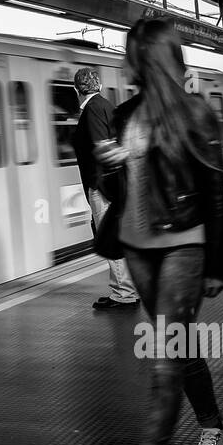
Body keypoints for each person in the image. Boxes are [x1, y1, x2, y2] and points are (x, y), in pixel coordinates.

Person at [96, 19, 223, 445]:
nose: (124, 61)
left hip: (183, 241)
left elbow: (215, 191)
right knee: (177, 340)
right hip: (137, 245)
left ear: (147, 57)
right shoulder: (124, 114)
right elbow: (122, 186)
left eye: (131, 52)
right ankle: (213, 428)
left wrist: (218, 262)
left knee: (166, 345)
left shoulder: (196, 113)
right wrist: (113, 165)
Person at [70, 67, 139, 309]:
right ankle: (126, 289)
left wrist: (101, 185)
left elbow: (103, 148)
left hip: (103, 187)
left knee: (109, 236)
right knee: (115, 236)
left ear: (77, 89)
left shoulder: (92, 110)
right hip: (111, 185)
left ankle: (124, 293)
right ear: (98, 85)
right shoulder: (106, 105)